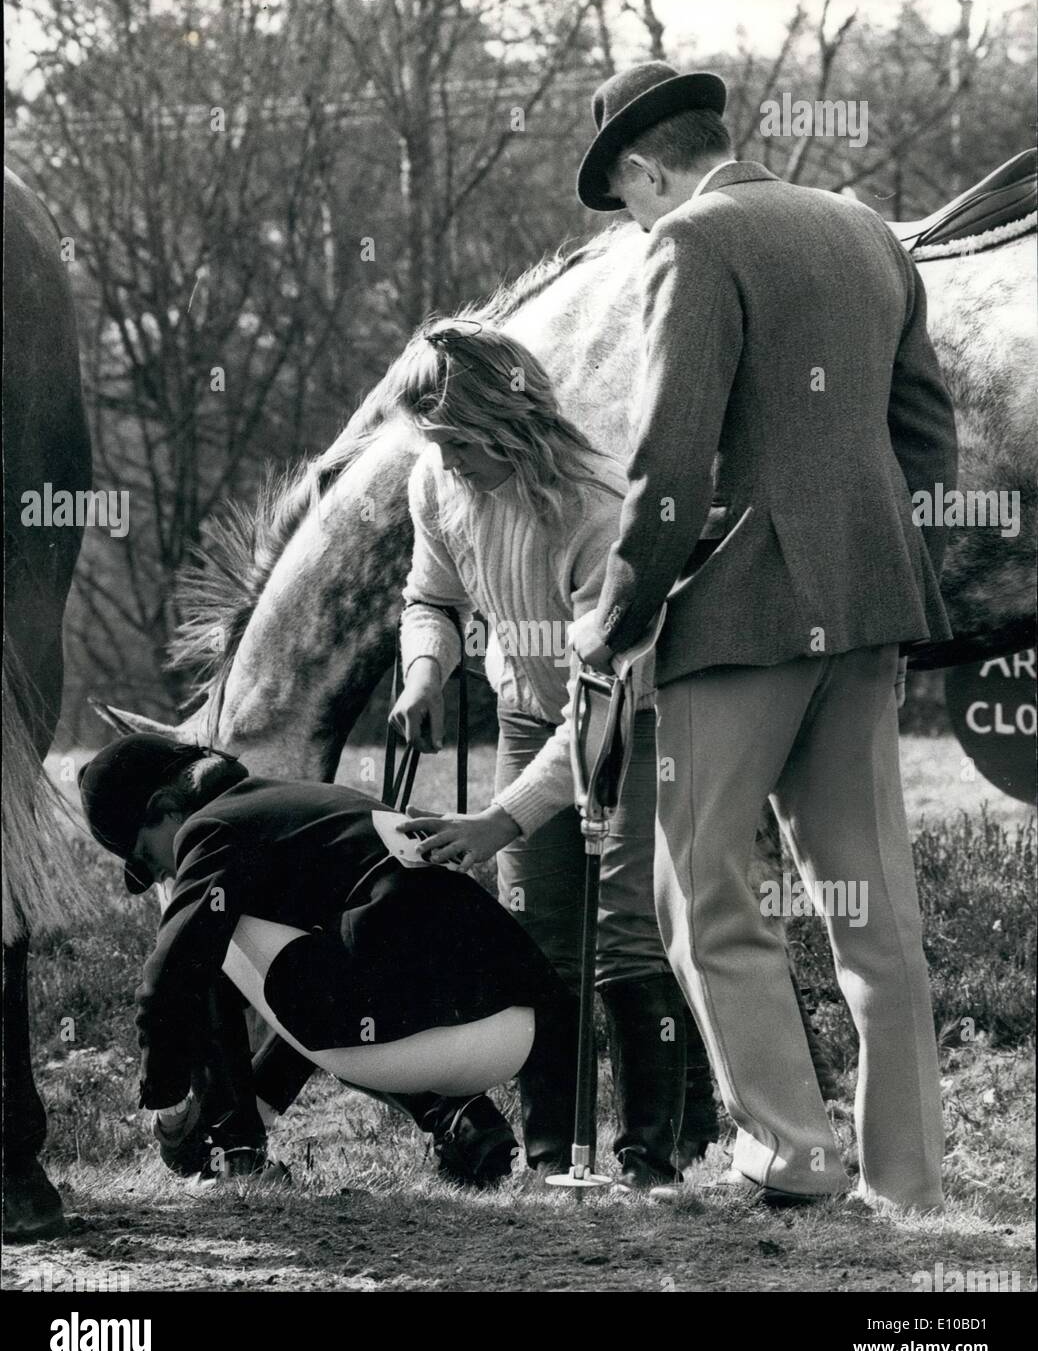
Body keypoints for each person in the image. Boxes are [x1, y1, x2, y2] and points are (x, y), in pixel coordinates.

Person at [569, 62, 957, 1209]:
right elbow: (927, 441)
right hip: (866, 616)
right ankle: (909, 1184)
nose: (637, 218)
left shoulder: (692, 242)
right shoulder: (870, 233)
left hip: (736, 625)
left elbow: (668, 468)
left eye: (629, 196)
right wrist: (880, 562)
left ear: (647, 170)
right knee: (873, 913)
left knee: (702, 896)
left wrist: (615, 622)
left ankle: (791, 1155)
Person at [387, 320, 725, 1190]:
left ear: (511, 420)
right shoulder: (436, 481)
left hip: (637, 718)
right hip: (528, 713)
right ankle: (550, 1157)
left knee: (624, 928)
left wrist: (503, 818)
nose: (449, 460)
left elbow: (605, 695)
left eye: (463, 441)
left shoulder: (596, 507)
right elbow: (431, 597)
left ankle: (655, 1155)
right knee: (539, 936)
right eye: (437, 443)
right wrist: (425, 673)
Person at [77, 733, 588, 1190]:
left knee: (198, 930)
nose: (165, 874)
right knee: (310, 949)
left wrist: (171, 1111)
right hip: (519, 1038)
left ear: (168, 807)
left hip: (411, 1046)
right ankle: (467, 1120)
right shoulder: (311, 802)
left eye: (148, 859)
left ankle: (236, 1154)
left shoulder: (210, 828)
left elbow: (166, 984)